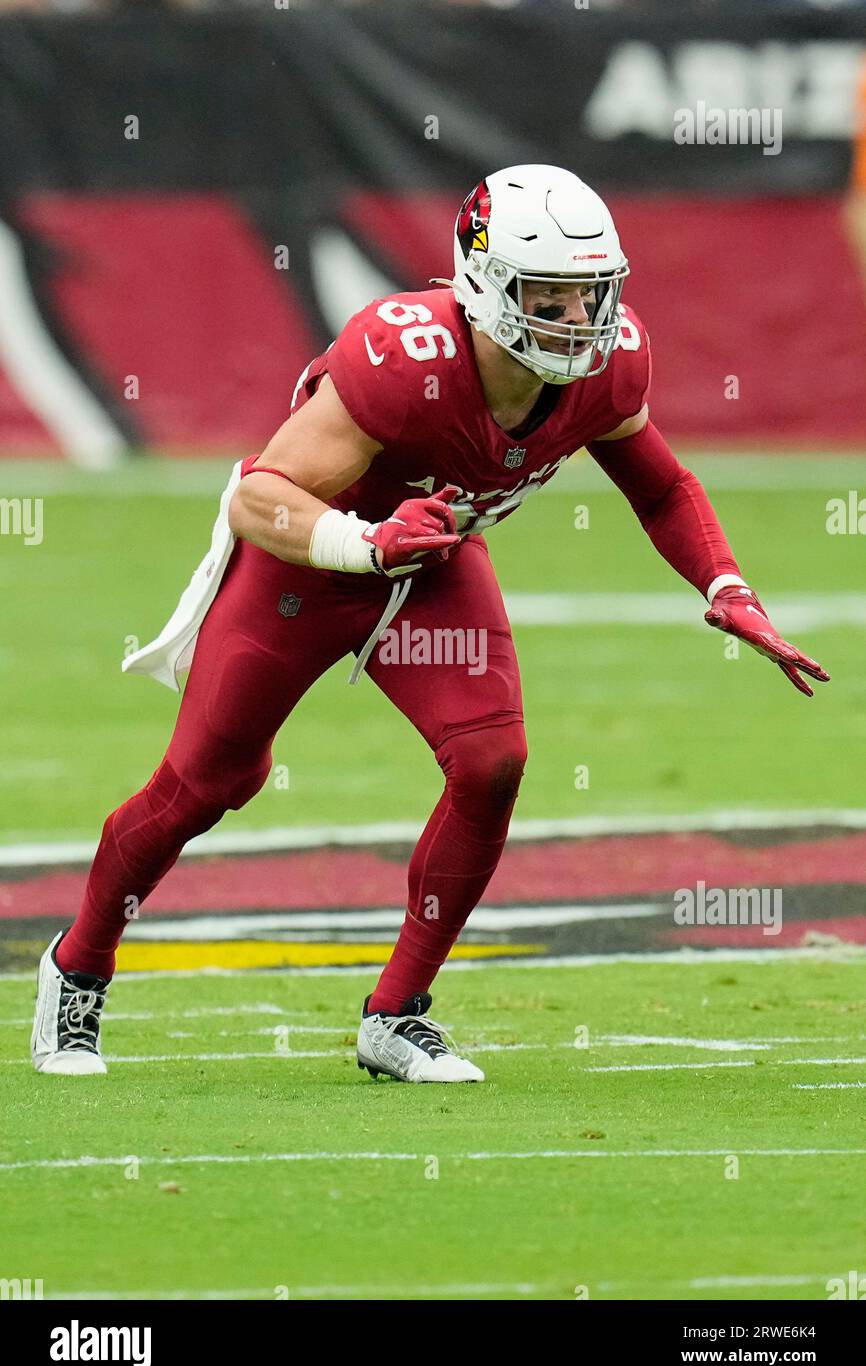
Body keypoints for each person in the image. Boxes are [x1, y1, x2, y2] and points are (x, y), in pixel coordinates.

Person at [31, 164, 829, 1081]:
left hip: (434, 561)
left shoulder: (610, 365)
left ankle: (396, 1012)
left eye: (592, 293)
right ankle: (79, 964)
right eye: (553, 295)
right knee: (206, 785)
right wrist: (364, 545)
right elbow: (260, 497)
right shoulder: (406, 357)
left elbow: (660, 484)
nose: (580, 320)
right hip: (310, 564)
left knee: (492, 761)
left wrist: (727, 586)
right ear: (488, 284)